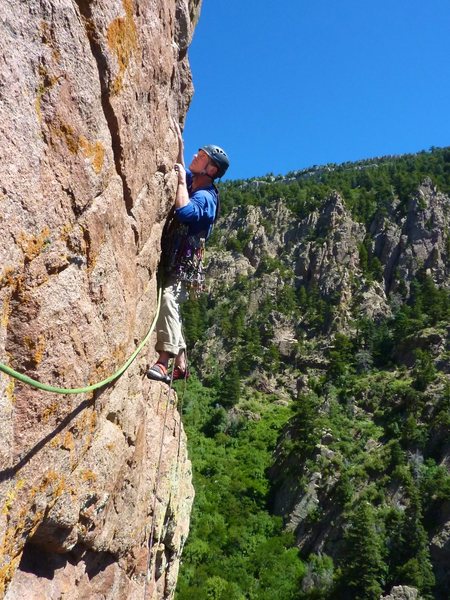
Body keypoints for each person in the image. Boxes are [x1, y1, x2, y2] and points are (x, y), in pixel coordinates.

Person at [147, 124, 229, 383]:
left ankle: (164, 362)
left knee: (169, 299)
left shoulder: (206, 196)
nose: (196, 156)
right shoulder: (197, 181)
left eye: (202, 156)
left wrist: (182, 180)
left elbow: (185, 212)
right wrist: (180, 149)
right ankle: (181, 363)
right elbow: (184, 168)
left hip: (185, 262)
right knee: (172, 303)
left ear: (212, 169)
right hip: (177, 255)